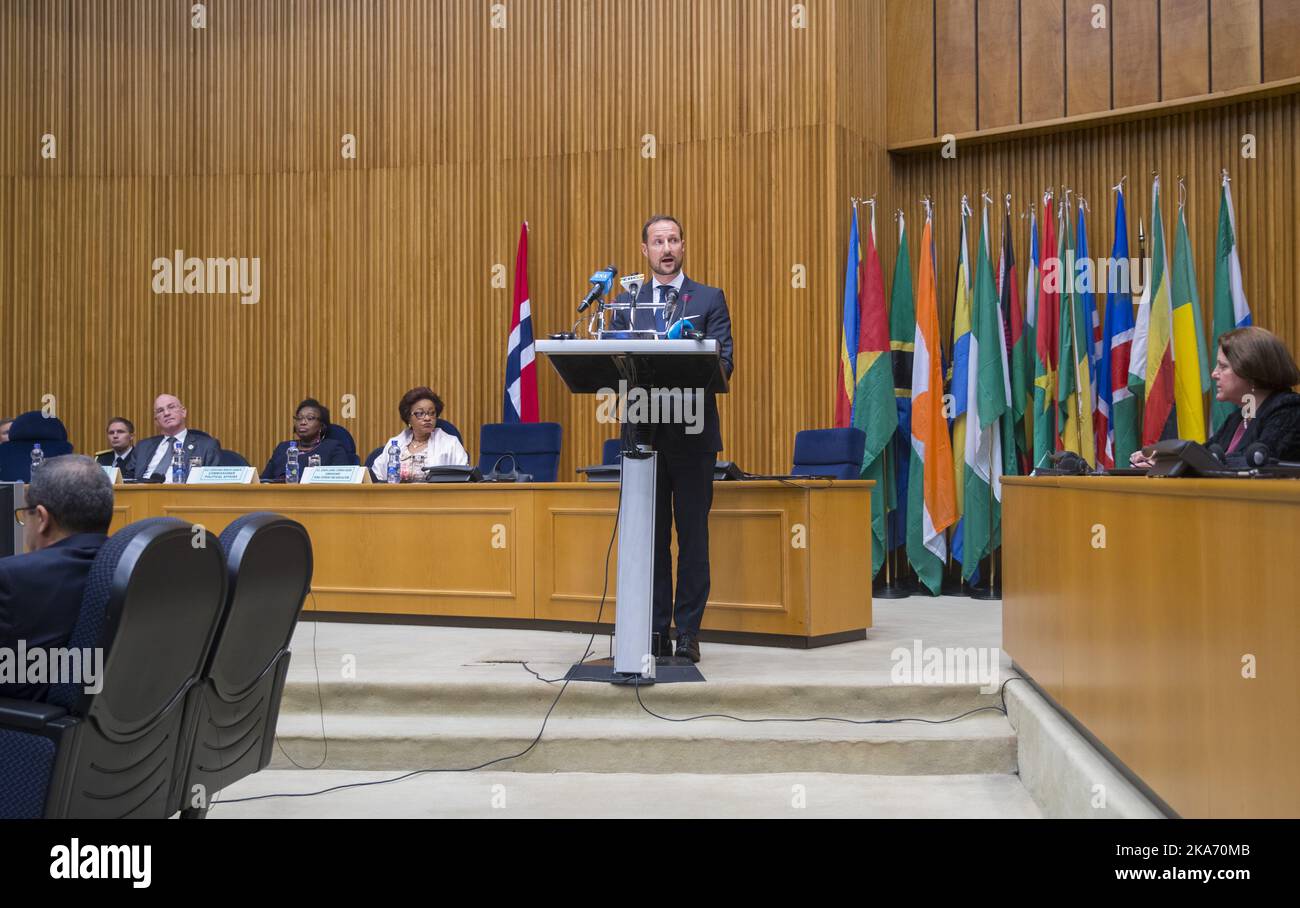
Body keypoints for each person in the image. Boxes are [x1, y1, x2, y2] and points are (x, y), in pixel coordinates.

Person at [610, 214, 734, 664]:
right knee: (651, 537)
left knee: (693, 537)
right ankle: (655, 630)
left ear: (683, 246)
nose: (666, 248)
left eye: (674, 240)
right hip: (644, 434)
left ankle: (688, 632)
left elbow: (726, 363)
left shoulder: (708, 298)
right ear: (644, 250)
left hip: (693, 434)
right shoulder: (627, 300)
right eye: (658, 241)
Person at [0, 455, 113, 701]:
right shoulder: (133, 568)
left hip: (22, 728)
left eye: (24, 515)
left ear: (41, 518)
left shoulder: (11, 578)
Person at [1131, 326, 1300, 467]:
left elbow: (1260, 461)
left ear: (1250, 371)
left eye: (1223, 367)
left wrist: (1184, 463)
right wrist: (1159, 459)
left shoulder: (1289, 411)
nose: (1214, 374)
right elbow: (1204, 453)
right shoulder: (1238, 418)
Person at [371, 387, 469, 482]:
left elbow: (464, 477)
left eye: (432, 413)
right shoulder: (395, 444)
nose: (427, 418)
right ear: (408, 417)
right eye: (420, 413)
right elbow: (377, 477)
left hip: (436, 496)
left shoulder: (450, 443)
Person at [131, 394, 222, 482]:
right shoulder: (143, 446)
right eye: (160, 411)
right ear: (156, 420)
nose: (166, 413)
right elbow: (125, 478)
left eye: (171, 407)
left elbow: (213, 481)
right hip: (142, 494)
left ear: (183, 412)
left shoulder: (206, 445)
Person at [262, 398, 352, 481]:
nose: (303, 422)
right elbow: (263, 481)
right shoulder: (283, 448)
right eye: (299, 418)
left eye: (310, 418)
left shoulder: (333, 448)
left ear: (321, 425)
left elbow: (341, 482)